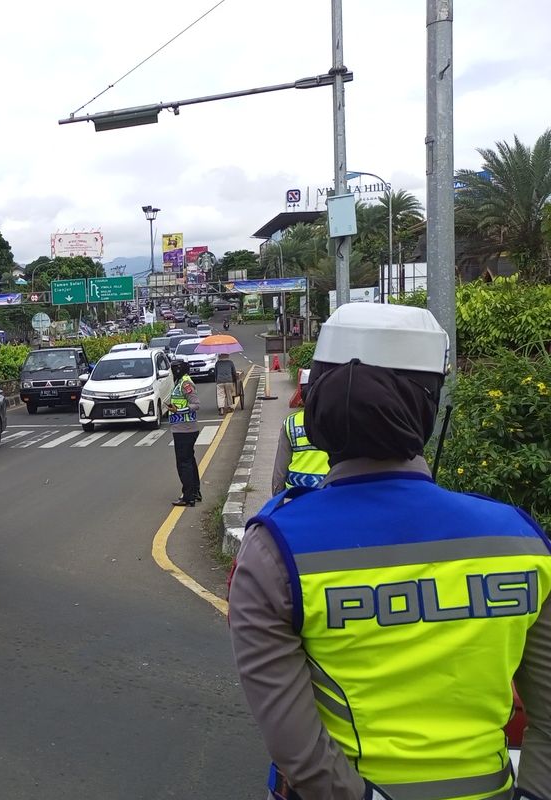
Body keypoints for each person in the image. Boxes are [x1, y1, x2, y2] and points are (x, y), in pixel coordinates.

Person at [229, 303, 551, 800]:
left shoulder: (275, 548)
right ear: (429, 408)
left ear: (317, 408)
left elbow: (299, 750)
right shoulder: (520, 540)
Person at [270, 368, 330, 495]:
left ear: (301, 395)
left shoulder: (291, 423)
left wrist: (276, 501)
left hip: (296, 493)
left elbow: (280, 471)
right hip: (328, 491)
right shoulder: (337, 421)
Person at [168, 359, 202, 507]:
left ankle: (188, 496)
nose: (172, 371)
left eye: (174, 369)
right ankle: (194, 492)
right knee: (189, 461)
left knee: (184, 464)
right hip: (181, 427)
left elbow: (196, 404)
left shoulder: (186, 384)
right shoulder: (180, 382)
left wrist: (178, 410)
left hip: (185, 428)